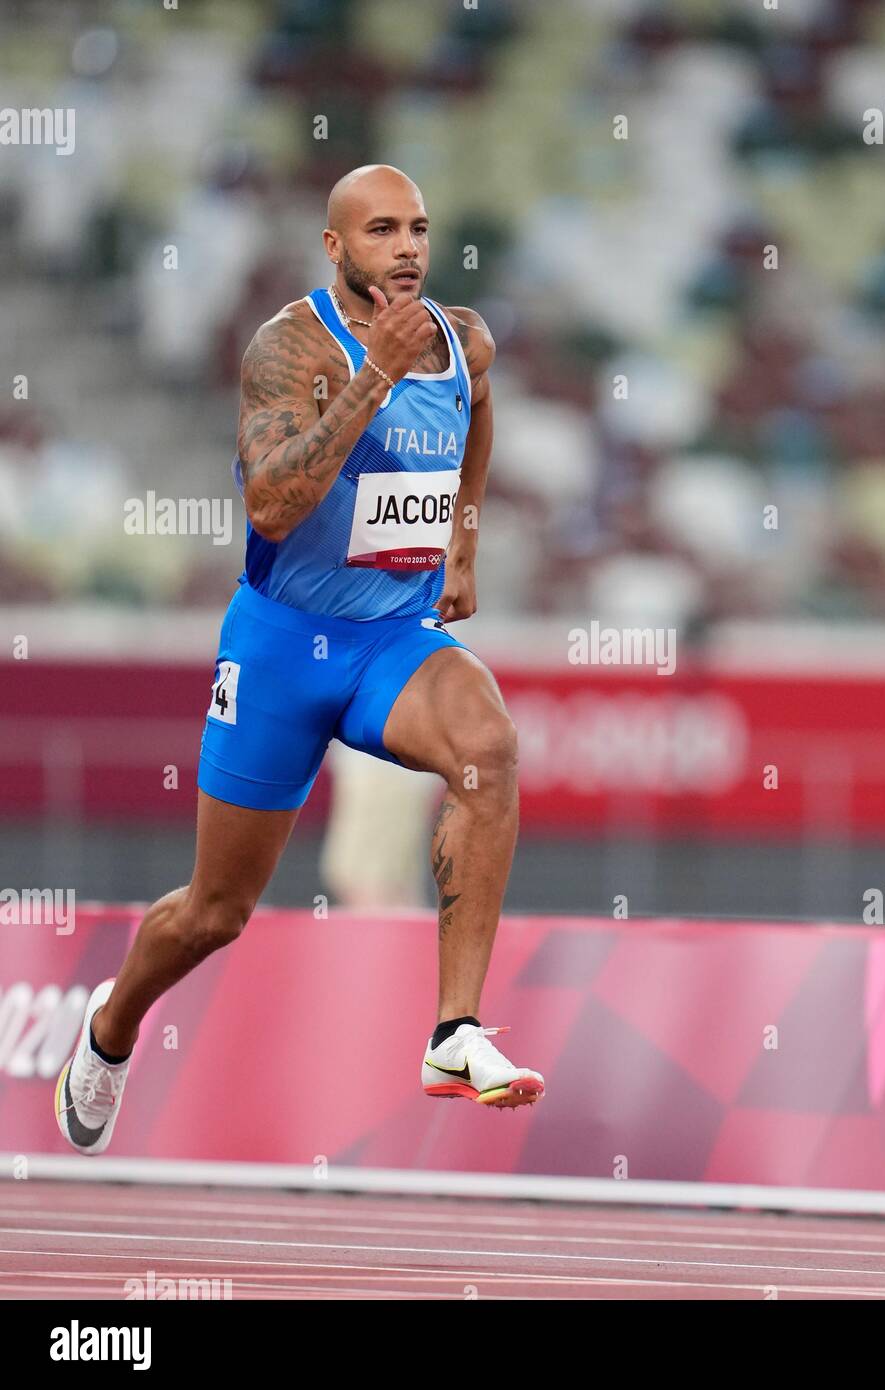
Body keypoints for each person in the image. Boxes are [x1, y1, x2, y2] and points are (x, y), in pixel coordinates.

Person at [55, 164, 543, 1156]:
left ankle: (453, 1032)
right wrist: (374, 374)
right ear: (335, 247)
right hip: (280, 646)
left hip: (389, 642)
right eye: (380, 231)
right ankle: (111, 1027)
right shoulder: (288, 349)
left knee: (487, 745)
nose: (405, 247)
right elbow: (273, 506)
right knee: (215, 911)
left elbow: (478, 401)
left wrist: (463, 532)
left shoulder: (458, 338)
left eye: (417, 227)